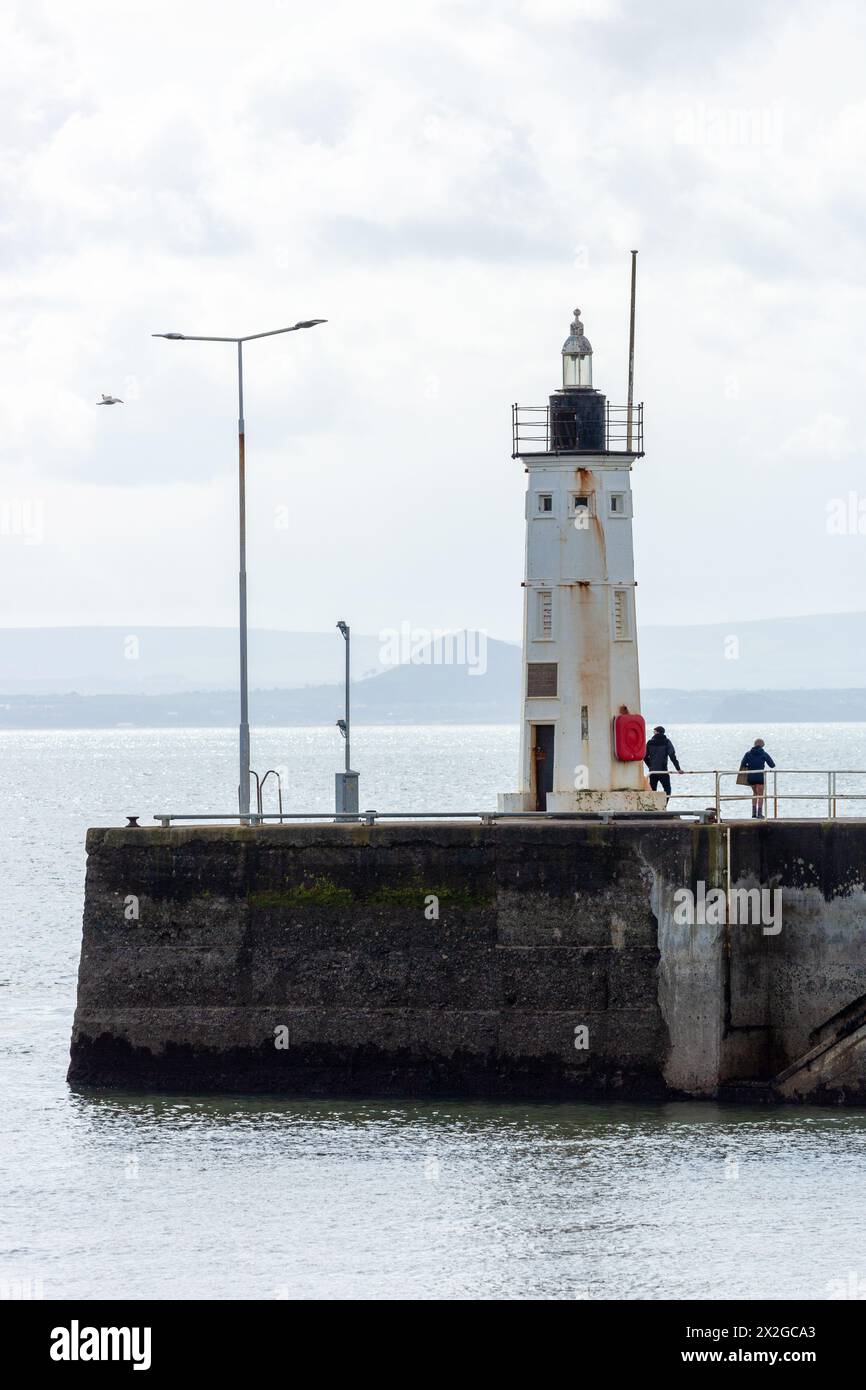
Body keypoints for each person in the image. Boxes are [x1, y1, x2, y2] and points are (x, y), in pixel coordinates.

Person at [644, 725, 683, 803]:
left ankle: (654, 807)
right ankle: (664, 805)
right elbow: (672, 756)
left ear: (657, 732)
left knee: (652, 790)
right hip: (663, 771)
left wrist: (650, 766)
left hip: (653, 772)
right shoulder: (667, 742)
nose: (653, 733)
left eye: (654, 732)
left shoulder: (650, 742)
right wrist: (678, 769)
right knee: (667, 789)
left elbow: (644, 756)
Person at [739, 738, 775, 818]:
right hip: (760, 777)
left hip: (751, 776)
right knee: (761, 795)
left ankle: (753, 813)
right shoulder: (764, 754)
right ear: (762, 745)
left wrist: (750, 766)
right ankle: (759, 813)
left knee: (755, 794)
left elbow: (743, 764)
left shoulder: (748, 754)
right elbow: (772, 765)